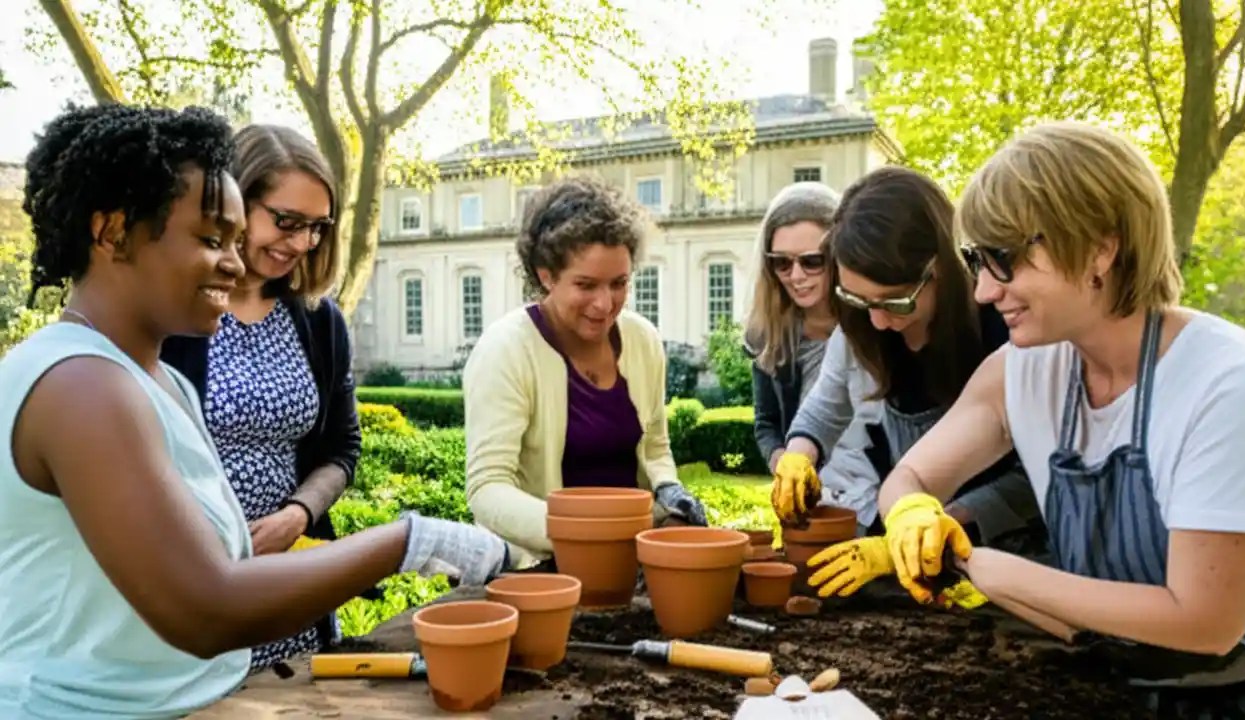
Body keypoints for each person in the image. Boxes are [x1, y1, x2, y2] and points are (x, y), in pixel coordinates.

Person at [0, 103, 509, 719]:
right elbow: (207, 607)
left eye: (236, 241)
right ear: (112, 233)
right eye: (212, 240)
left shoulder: (157, 381)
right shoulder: (81, 385)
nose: (237, 264)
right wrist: (407, 540)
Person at [864, 122, 1245, 716]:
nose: (983, 291)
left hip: (1238, 694)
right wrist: (908, 517)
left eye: (1003, 260)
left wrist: (979, 567)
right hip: (1101, 676)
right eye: (976, 261)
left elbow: (1204, 621)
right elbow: (910, 479)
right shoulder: (1020, 372)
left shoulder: (1233, 383)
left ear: (1099, 249)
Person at [160, 124, 356, 670]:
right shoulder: (173, 317)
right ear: (233, 202)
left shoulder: (320, 322)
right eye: (286, 221)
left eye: (316, 228)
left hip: (290, 590)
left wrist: (298, 513)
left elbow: (342, 449)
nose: (300, 243)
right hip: (193, 592)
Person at [770, 166, 1042, 548]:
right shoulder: (861, 321)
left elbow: (1035, 474)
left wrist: (944, 524)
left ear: (940, 269)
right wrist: (798, 456)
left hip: (1010, 544)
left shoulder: (1004, 330)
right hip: (909, 522)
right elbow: (825, 409)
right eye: (860, 300)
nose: (878, 322)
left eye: (895, 302)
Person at [463, 174, 708, 570]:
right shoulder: (506, 350)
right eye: (586, 284)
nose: (605, 303)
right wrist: (588, 533)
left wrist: (669, 490)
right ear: (546, 275)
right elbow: (488, 489)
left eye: (619, 283)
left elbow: (655, 448)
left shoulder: (642, 341)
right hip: (540, 568)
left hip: (629, 563)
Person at [743, 181, 886, 518]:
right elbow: (767, 422)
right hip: (810, 505)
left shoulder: (877, 322)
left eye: (812, 261)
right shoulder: (769, 333)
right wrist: (784, 460)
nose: (796, 276)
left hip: (880, 500)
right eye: (781, 263)